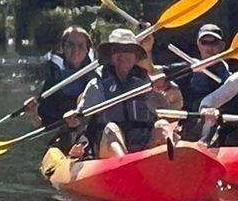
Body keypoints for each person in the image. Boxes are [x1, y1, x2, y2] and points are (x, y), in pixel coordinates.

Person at [64, 27, 181, 159]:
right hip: (109, 148)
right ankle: (126, 165)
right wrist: (74, 119)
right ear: (110, 56)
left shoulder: (145, 81)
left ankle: (169, 164)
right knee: (111, 129)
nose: (122, 55)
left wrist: (163, 95)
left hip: (143, 146)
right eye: (116, 51)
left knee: (162, 126)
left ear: (136, 56)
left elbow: (166, 109)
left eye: (128, 51)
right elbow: (81, 119)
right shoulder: (98, 84)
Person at [174, 22, 234, 131]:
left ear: (222, 45)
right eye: (204, 42)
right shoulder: (188, 67)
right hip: (192, 122)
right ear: (198, 44)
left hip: (222, 123)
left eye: (214, 42)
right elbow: (155, 72)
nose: (209, 47)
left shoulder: (232, 70)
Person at [29, 25, 93, 124]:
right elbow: (40, 119)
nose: (75, 50)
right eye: (70, 45)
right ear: (63, 47)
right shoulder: (52, 75)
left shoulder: (96, 76)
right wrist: (34, 114)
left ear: (87, 50)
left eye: (81, 46)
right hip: (59, 128)